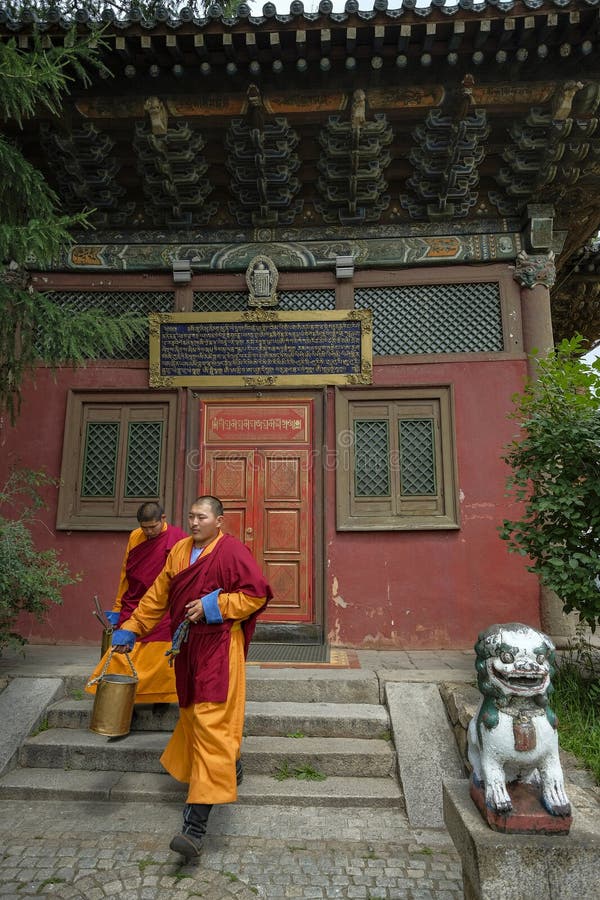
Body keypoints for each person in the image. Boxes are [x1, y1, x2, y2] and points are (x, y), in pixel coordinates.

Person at [111, 495, 272, 861]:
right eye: (191, 516)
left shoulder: (231, 551)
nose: (195, 522)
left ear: (219, 521)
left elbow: (256, 594)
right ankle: (230, 764)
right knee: (193, 719)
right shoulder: (180, 552)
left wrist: (214, 605)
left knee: (210, 722)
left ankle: (194, 828)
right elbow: (156, 597)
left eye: (202, 517)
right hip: (186, 646)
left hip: (218, 647)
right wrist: (132, 628)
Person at [86, 501, 187, 706]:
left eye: (153, 527)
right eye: (145, 527)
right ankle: (122, 696)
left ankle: (161, 698)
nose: (149, 532)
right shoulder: (135, 537)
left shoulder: (179, 539)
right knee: (123, 649)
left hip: (163, 606)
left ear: (163, 519)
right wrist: (118, 606)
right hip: (134, 601)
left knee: (160, 656)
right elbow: (126, 574)